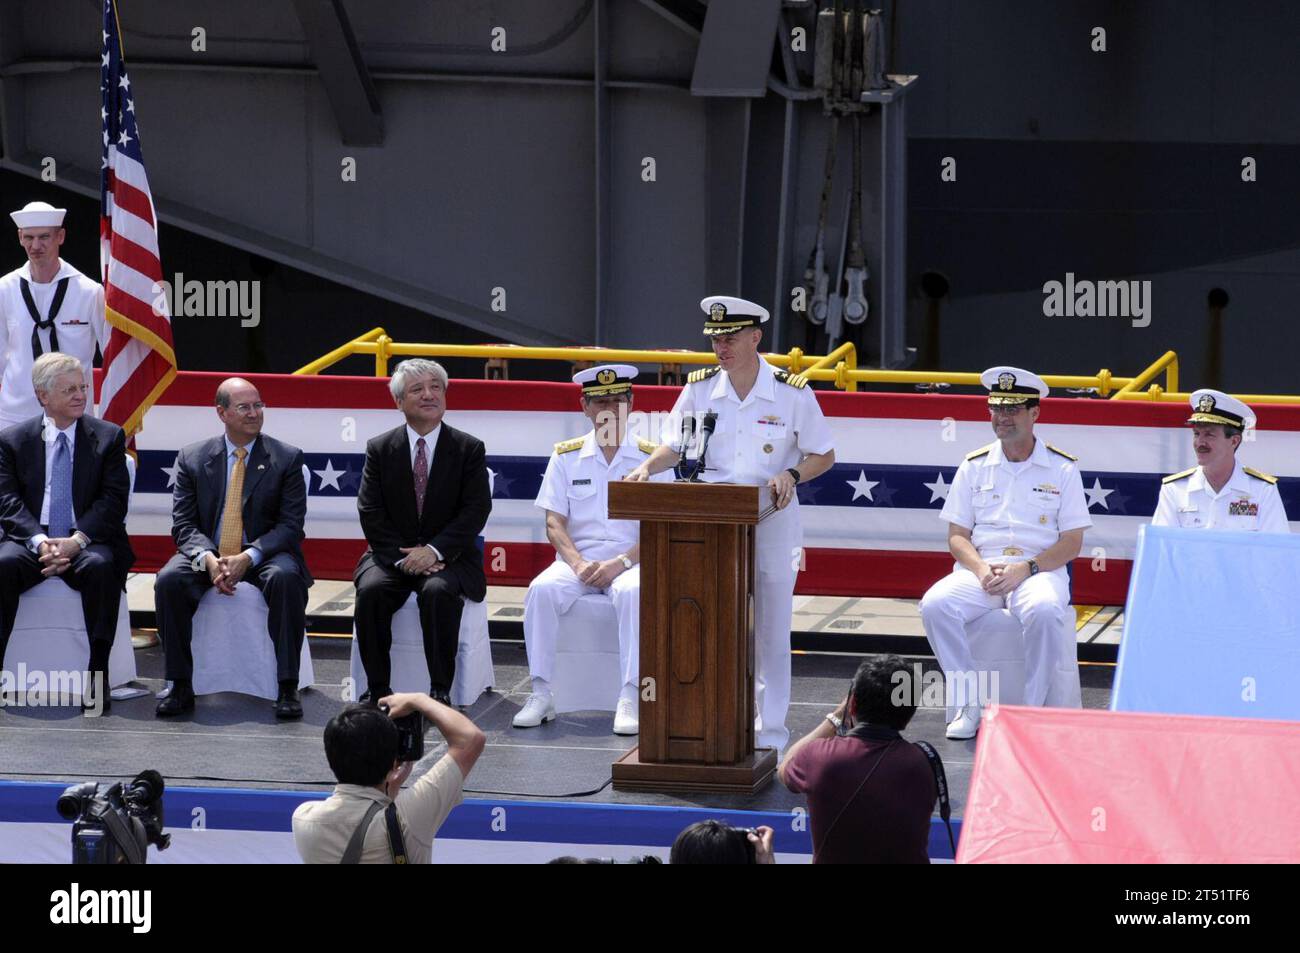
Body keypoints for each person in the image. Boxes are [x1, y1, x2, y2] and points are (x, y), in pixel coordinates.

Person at [626, 296, 835, 751]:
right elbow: (676, 447)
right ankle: (715, 723)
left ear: (755, 337)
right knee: (712, 626)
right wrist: (648, 469)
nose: (721, 347)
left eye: (731, 338)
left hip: (771, 524)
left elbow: (824, 453)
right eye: (716, 339)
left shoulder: (791, 391)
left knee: (771, 632)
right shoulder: (699, 389)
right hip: (710, 528)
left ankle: (773, 731)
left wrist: (792, 473)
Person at [919, 366, 1092, 740]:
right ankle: (969, 703)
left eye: (1012, 409)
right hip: (981, 571)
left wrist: (1025, 569)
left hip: (1038, 570)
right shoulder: (974, 464)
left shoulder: (1063, 468)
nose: (1002, 417)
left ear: (1035, 413)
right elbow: (957, 536)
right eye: (996, 408)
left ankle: (1028, 709)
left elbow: (1072, 541)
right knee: (935, 605)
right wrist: (981, 570)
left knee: (1046, 611)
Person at [513, 364, 671, 735]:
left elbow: (663, 527)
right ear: (585, 407)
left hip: (633, 560)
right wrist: (579, 563)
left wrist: (620, 562)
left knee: (635, 592)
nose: (609, 410)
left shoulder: (653, 459)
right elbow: (554, 523)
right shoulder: (565, 456)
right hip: (577, 560)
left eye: (618, 401)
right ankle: (540, 692)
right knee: (542, 590)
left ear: (632, 405)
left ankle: (631, 694)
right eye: (601, 402)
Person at [153, 378, 312, 719]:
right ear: (221, 412)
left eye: (258, 406)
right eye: (244, 407)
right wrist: (209, 560)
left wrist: (248, 556)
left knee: (286, 578)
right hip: (208, 554)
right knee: (168, 580)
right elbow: (182, 525)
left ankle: (287, 686)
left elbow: (290, 526)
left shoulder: (286, 458)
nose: (254, 413)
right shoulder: (192, 457)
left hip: (263, 553)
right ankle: (180, 684)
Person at [0, 352, 132, 714]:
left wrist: (75, 542)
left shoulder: (108, 438)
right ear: (43, 396)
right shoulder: (13, 440)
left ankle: (97, 674)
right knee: (3, 563)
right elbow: (7, 502)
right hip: (32, 539)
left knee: (103, 568)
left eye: (82, 387)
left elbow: (112, 501)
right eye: (69, 389)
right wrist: (42, 543)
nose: (80, 395)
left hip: (88, 538)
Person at [354, 359, 492, 705]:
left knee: (437, 592)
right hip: (392, 556)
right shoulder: (380, 448)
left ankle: (440, 691)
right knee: (371, 591)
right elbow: (370, 511)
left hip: (451, 556)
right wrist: (405, 559)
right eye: (417, 389)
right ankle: (378, 690)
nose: (429, 395)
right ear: (399, 402)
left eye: (436, 387)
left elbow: (475, 511)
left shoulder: (468, 449)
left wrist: (433, 551)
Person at [778, 655, 940, 864]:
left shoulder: (819, 757)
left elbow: (785, 767)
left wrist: (837, 716)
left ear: (853, 704)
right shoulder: (925, 762)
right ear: (910, 713)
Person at [291, 692, 485, 864]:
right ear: (394, 764)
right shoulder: (409, 818)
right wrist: (418, 699)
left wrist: (390, 782)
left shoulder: (304, 818)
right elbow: (470, 739)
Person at [0, 203, 111, 430]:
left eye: (44, 237)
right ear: (20, 237)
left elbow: (111, 353)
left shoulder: (89, 292)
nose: (36, 245)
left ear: (60, 236)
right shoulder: (4, 289)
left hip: (72, 415)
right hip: (15, 416)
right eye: (29, 237)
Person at [1152, 389, 1289, 533]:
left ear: (1234, 441)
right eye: (1196, 434)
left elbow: (1276, 550)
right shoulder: (1174, 489)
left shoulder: (1262, 490)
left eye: (1209, 434)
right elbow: (1161, 549)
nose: (1200, 442)